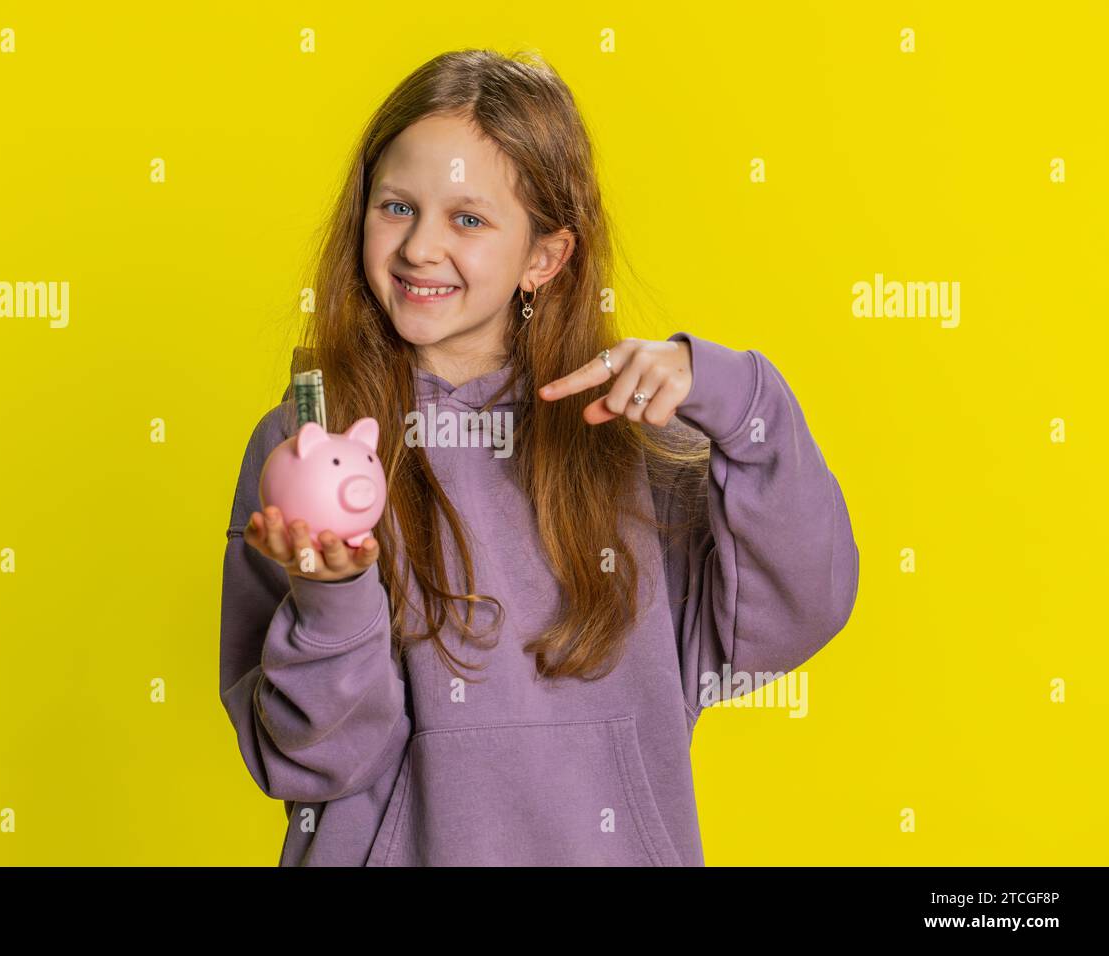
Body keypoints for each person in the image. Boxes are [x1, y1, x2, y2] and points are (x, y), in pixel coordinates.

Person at [219, 48, 859, 866]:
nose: (420, 247)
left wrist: (738, 398)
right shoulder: (304, 449)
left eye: (469, 219)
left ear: (544, 258)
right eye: (396, 206)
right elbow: (308, 761)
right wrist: (334, 593)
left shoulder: (632, 444)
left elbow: (797, 614)